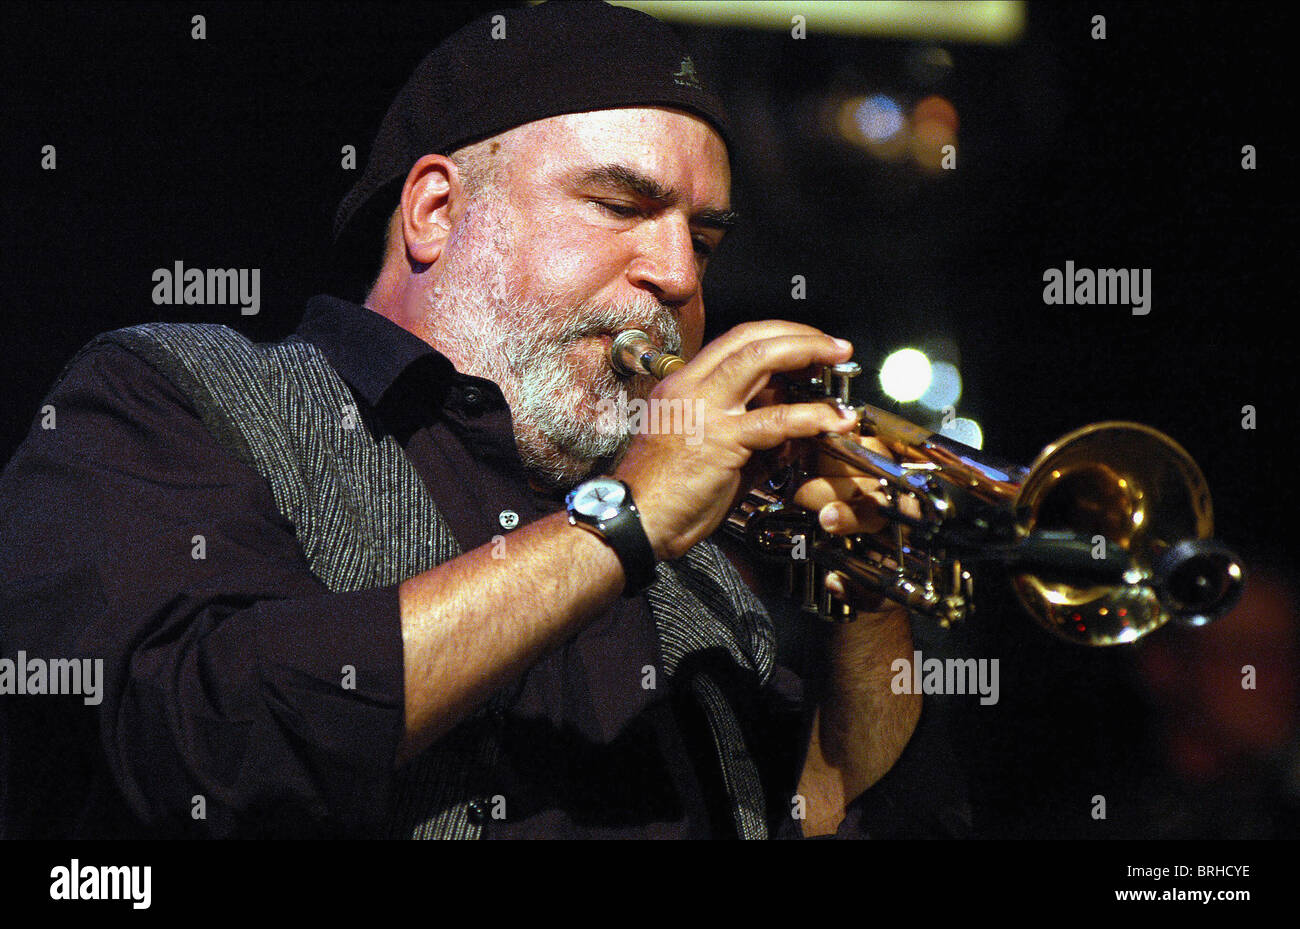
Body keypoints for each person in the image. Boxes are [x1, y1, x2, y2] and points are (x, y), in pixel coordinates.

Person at [0, 1, 969, 839]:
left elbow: (819, 811)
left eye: (704, 239)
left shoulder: (699, 554)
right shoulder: (171, 392)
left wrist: (865, 605)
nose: (677, 276)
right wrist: (620, 523)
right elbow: (182, 740)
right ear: (433, 210)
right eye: (618, 203)